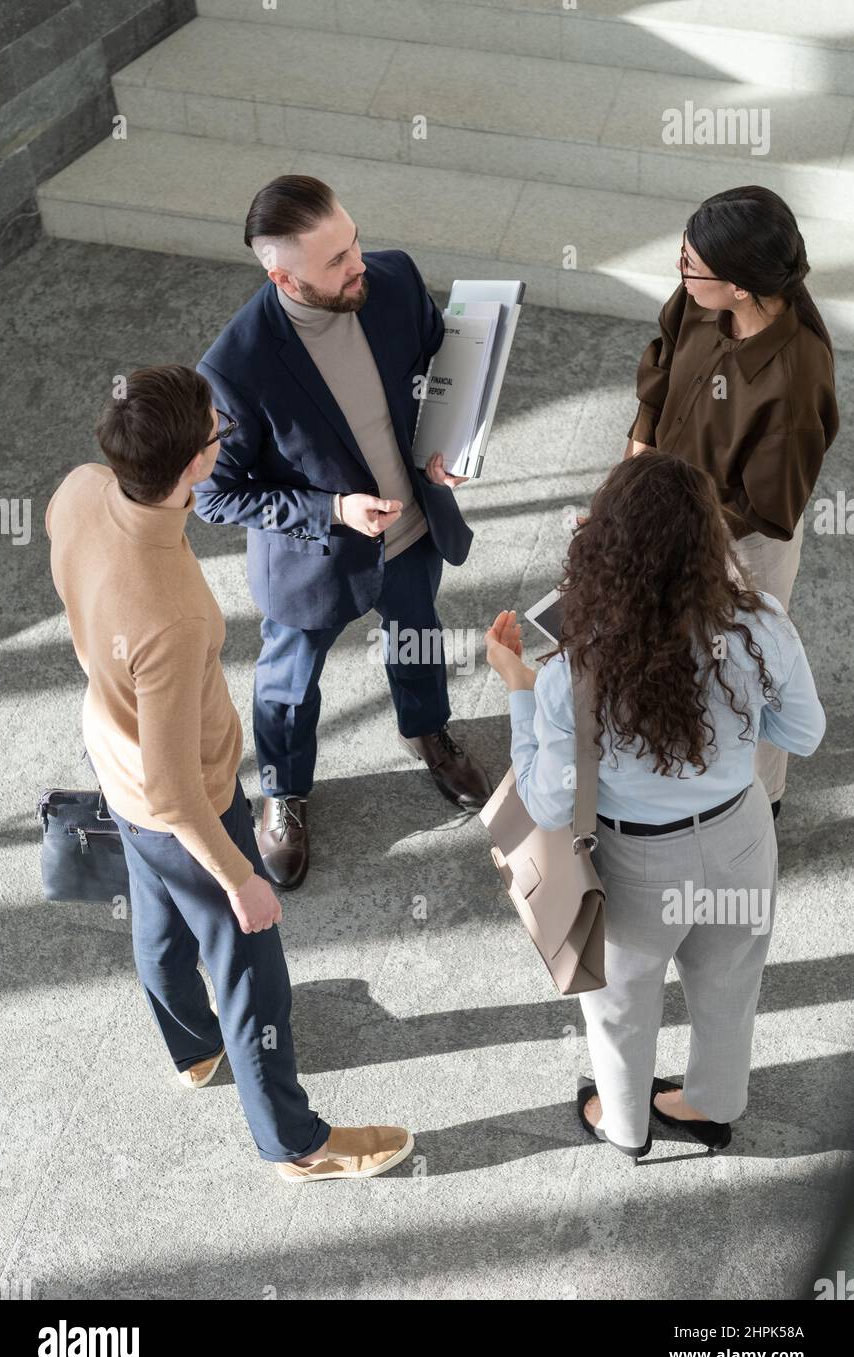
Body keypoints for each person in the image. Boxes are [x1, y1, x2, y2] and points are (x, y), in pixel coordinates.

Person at [45, 365, 413, 1184]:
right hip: (189, 804)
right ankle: (297, 1144)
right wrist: (240, 877)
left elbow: (79, 598)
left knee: (157, 926)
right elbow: (177, 794)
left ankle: (194, 1051)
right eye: (218, 431)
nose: (226, 434)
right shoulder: (169, 612)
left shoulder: (77, 490)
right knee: (254, 982)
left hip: (115, 761)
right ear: (192, 469)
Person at [484, 450, 826, 1159]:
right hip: (739, 839)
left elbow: (548, 801)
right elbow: (805, 733)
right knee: (731, 984)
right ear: (712, 544)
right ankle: (709, 1107)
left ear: (606, 551)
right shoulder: (761, 624)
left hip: (635, 862)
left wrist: (520, 689)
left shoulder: (576, 669)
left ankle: (626, 1125)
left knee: (620, 1009)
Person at [193, 174, 492, 891]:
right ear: (282, 277)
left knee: (417, 631)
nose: (358, 262)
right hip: (313, 559)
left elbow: (433, 370)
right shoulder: (235, 369)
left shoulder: (390, 279)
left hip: (413, 526)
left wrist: (451, 444)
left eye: (352, 241)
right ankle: (284, 792)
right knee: (289, 685)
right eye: (335, 262)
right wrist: (331, 512)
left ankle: (427, 730)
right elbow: (214, 496)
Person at [624, 185, 838, 815]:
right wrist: (636, 463)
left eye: (691, 263)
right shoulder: (700, 297)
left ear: (741, 285)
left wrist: (662, 521)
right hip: (664, 512)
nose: (681, 270)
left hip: (741, 545)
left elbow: (770, 507)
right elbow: (661, 368)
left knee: (751, 674)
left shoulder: (795, 378)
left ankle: (760, 799)